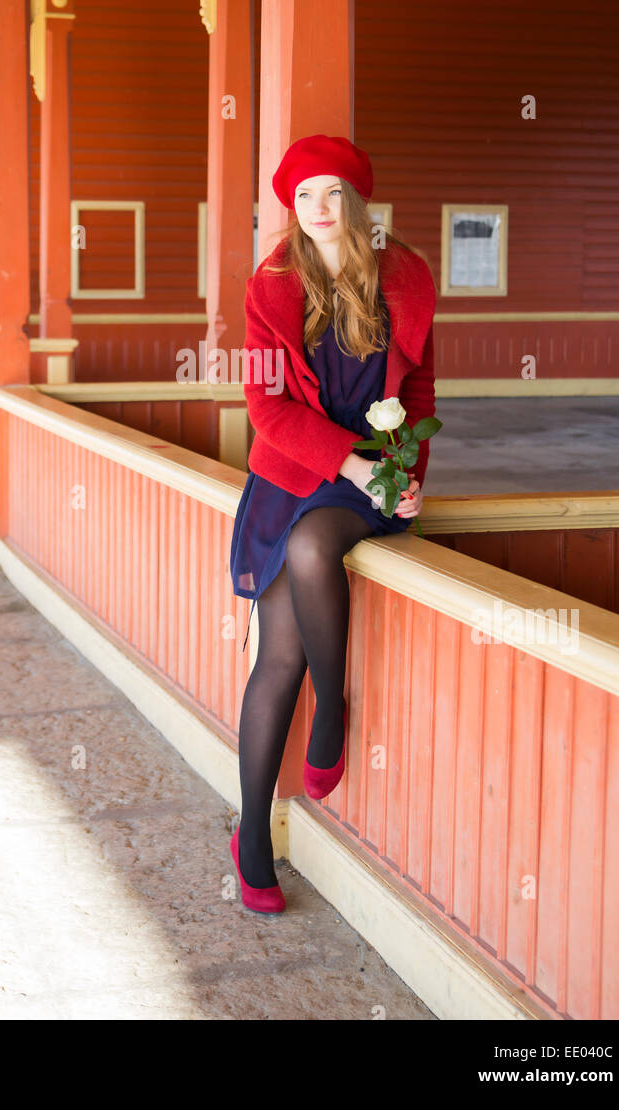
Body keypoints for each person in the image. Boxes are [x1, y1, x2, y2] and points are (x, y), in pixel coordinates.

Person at [228, 134, 438, 913]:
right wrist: (346, 463)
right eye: (303, 196)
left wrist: (404, 479)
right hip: (294, 476)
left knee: (318, 548)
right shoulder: (270, 286)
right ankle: (252, 837)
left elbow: (418, 396)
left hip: (368, 483)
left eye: (332, 193)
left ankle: (335, 704)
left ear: (358, 201)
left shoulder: (405, 277)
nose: (317, 210)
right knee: (276, 659)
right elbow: (264, 406)